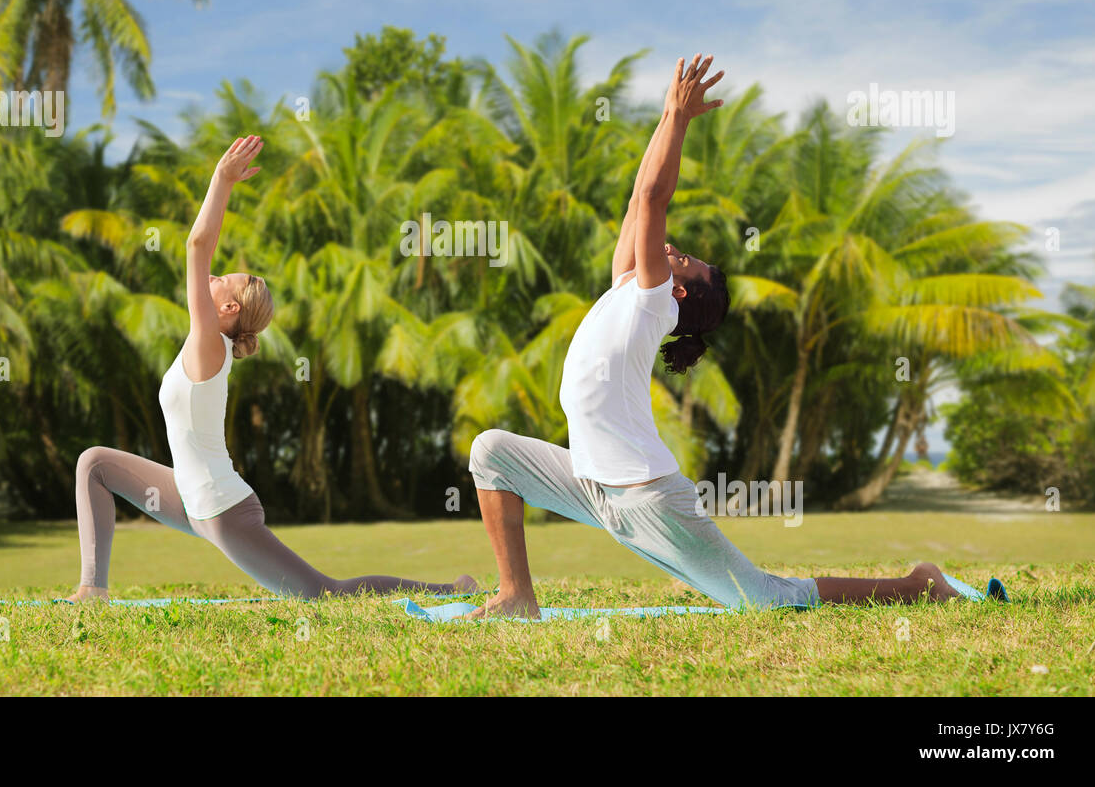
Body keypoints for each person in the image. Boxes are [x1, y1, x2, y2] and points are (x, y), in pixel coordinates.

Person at [465, 54, 958, 619]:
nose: (674, 250)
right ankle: (516, 595)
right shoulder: (627, 287)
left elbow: (654, 199)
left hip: (648, 499)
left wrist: (680, 120)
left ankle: (919, 584)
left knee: (768, 599)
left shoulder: (652, 302)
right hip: (592, 485)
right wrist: (667, 114)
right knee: (492, 451)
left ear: (680, 294)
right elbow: (636, 199)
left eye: (687, 261)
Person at [66, 134, 475, 602]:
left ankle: (448, 589)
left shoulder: (209, 345)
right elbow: (202, 256)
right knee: (94, 463)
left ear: (228, 310)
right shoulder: (202, 343)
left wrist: (222, 181)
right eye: (218, 275)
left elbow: (197, 246)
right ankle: (91, 590)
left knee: (325, 595)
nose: (213, 278)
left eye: (223, 282)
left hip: (223, 510)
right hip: (187, 498)